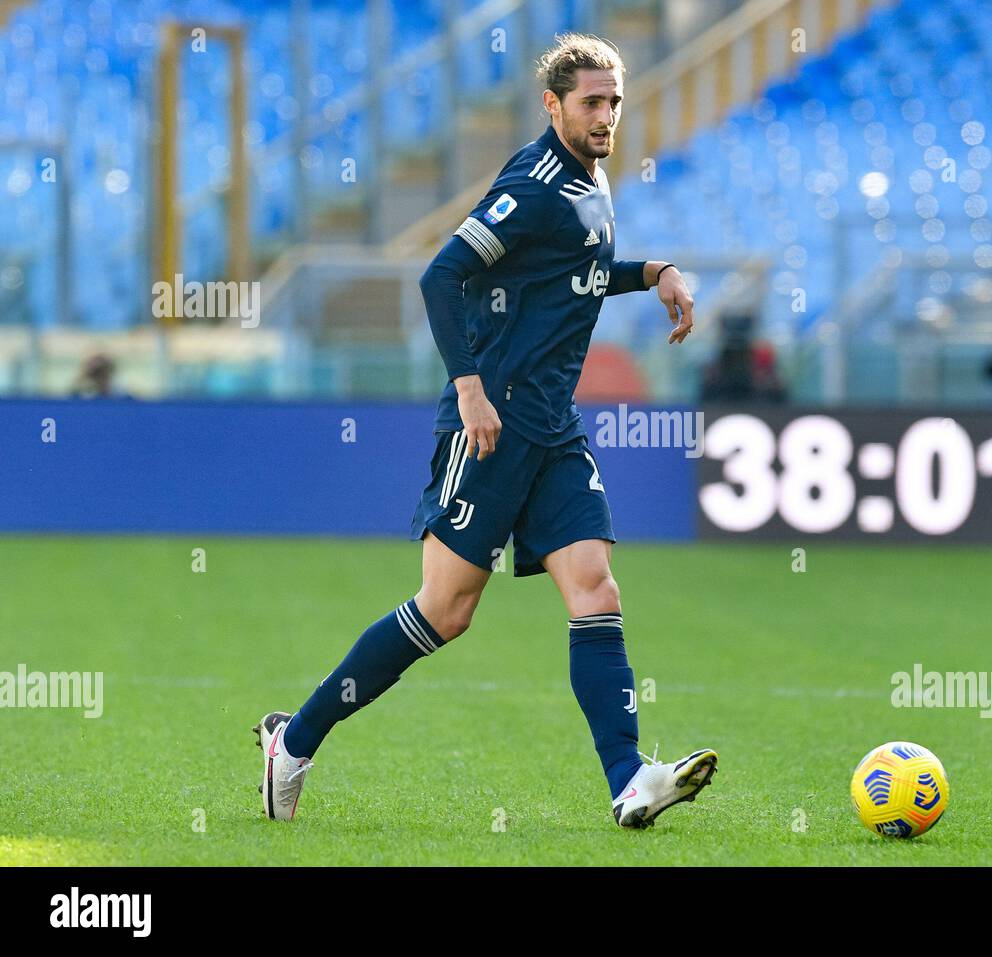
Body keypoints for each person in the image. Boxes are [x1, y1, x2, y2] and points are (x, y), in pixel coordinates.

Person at [253, 34, 718, 828]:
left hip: (553, 425)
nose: (606, 116)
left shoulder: (591, 180)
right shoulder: (533, 184)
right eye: (591, 103)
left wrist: (652, 274)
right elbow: (443, 275)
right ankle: (292, 742)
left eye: (614, 102)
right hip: (495, 420)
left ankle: (628, 776)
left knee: (595, 588)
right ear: (553, 105)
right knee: (446, 608)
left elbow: (570, 275)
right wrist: (470, 391)